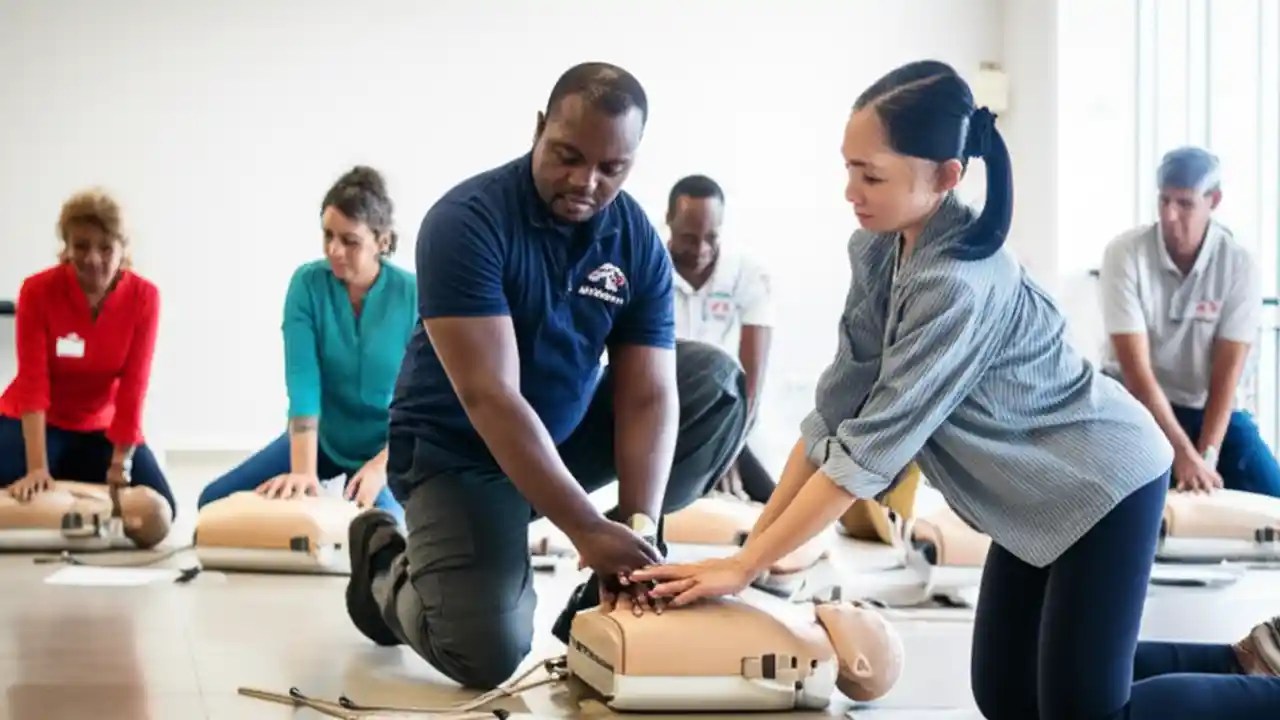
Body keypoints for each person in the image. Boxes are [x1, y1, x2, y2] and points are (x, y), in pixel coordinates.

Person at [633, 60, 1280, 718]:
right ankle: (1242, 660)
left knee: (1083, 712)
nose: (850, 190)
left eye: (871, 174)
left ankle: (1259, 683)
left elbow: (867, 456)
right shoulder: (880, 248)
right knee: (1006, 694)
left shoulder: (960, 282)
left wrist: (741, 570)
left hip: (1105, 481)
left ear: (945, 175)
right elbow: (834, 418)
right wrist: (748, 559)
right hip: (1036, 493)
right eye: (849, 167)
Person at [342, 62, 750, 690]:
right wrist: (585, 528)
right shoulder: (466, 222)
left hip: (560, 439)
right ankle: (385, 562)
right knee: (485, 652)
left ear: (633, 163)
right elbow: (491, 395)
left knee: (714, 384)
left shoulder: (636, 239)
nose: (585, 182)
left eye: (610, 169)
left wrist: (637, 531)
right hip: (459, 455)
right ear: (539, 129)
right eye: (567, 156)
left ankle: (602, 593)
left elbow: (649, 393)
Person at [197, 167, 413, 526]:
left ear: (382, 241)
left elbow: (423, 402)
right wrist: (303, 475)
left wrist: (380, 469)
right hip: (324, 442)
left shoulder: (413, 294)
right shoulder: (307, 285)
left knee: (385, 529)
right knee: (213, 504)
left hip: (387, 449)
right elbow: (303, 383)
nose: (334, 250)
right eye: (328, 235)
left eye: (350, 241)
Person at [1100, 146, 1279, 498]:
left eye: (1184, 204)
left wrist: (1206, 459)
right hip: (1136, 408)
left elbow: (1226, 375)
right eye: (1163, 201)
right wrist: (1181, 454)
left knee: (1272, 494)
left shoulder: (1239, 264)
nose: (1169, 215)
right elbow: (1137, 375)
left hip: (1205, 408)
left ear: (1214, 201)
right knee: (1129, 505)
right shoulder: (1125, 254)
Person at [0, 189, 176, 518]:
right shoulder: (37, 291)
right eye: (80, 246)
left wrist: (120, 465)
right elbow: (33, 383)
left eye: (105, 248)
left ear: (123, 250)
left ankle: (73, 480)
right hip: (39, 422)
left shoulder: (144, 297)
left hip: (101, 428)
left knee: (159, 508)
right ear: (66, 247)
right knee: (17, 480)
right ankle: (63, 477)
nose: (93, 259)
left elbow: (133, 389)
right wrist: (37, 469)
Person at [666, 174, 777, 503]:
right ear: (669, 221)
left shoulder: (750, 274)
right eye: (688, 238)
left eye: (711, 237)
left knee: (769, 495)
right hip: (657, 406)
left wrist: (727, 447)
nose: (700, 249)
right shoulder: (646, 263)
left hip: (728, 408)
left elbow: (753, 382)